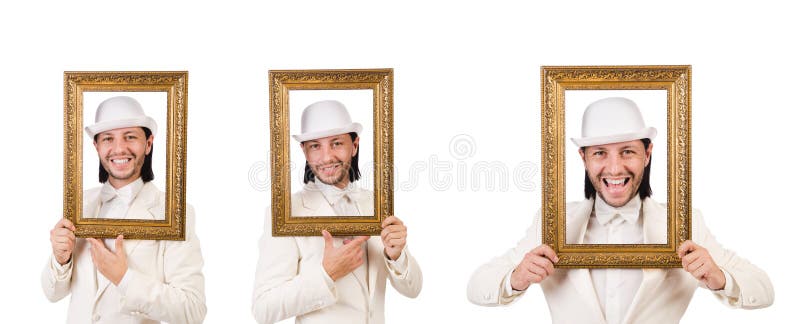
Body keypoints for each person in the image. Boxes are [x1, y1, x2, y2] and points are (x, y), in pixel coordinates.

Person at [467, 97, 774, 323]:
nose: (614, 168)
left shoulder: (683, 224)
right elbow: (476, 286)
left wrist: (720, 278)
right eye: (600, 153)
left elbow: (764, 290)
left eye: (627, 151)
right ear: (584, 158)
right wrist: (516, 278)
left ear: (647, 154)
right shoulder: (552, 224)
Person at [252, 100, 422, 324]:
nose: (326, 157)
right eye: (315, 146)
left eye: (337, 143)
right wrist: (326, 274)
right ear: (304, 151)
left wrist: (397, 255)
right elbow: (263, 308)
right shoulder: (287, 212)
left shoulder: (377, 204)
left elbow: (413, 289)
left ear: (354, 145)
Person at [42, 96, 206, 324]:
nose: (119, 148)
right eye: (108, 138)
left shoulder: (174, 213)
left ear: (148, 143)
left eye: (130, 137)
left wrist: (124, 278)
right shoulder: (79, 204)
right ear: (97, 147)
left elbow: (192, 310)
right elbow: (52, 293)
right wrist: (61, 259)